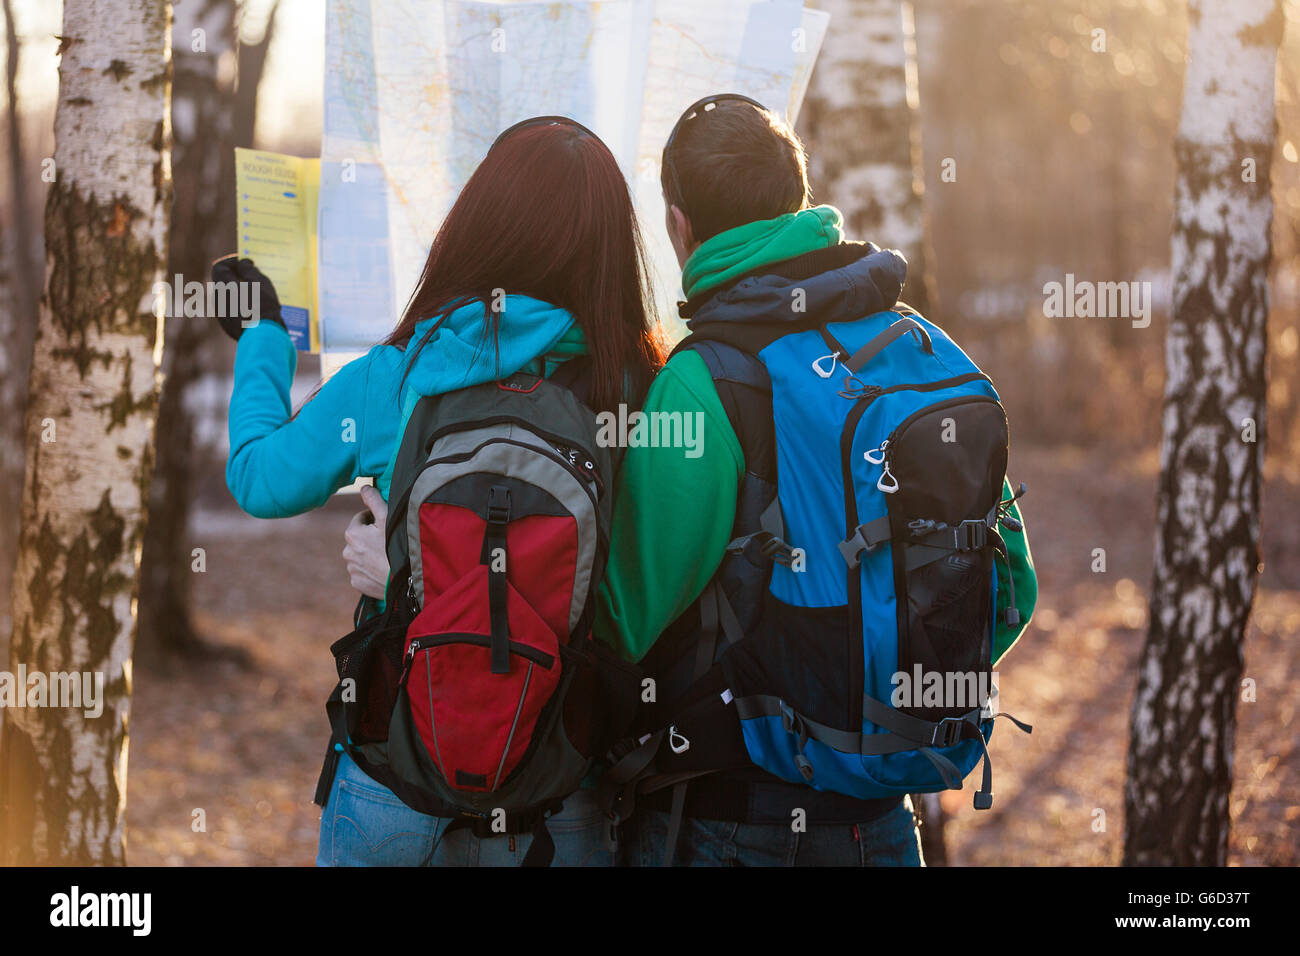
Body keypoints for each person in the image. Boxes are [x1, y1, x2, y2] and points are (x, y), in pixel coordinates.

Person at [590, 94, 1038, 866]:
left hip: (739, 818)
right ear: (801, 201)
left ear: (678, 224)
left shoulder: (707, 380)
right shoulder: (921, 349)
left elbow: (627, 618)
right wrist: (880, 690)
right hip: (887, 825)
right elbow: (1013, 590)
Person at [215, 116, 663, 866]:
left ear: (476, 227)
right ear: (614, 248)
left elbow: (260, 477)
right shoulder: (642, 392)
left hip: (397, 773)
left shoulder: (397, 377)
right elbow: (644, 585)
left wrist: (265, 333)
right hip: (562, 786)